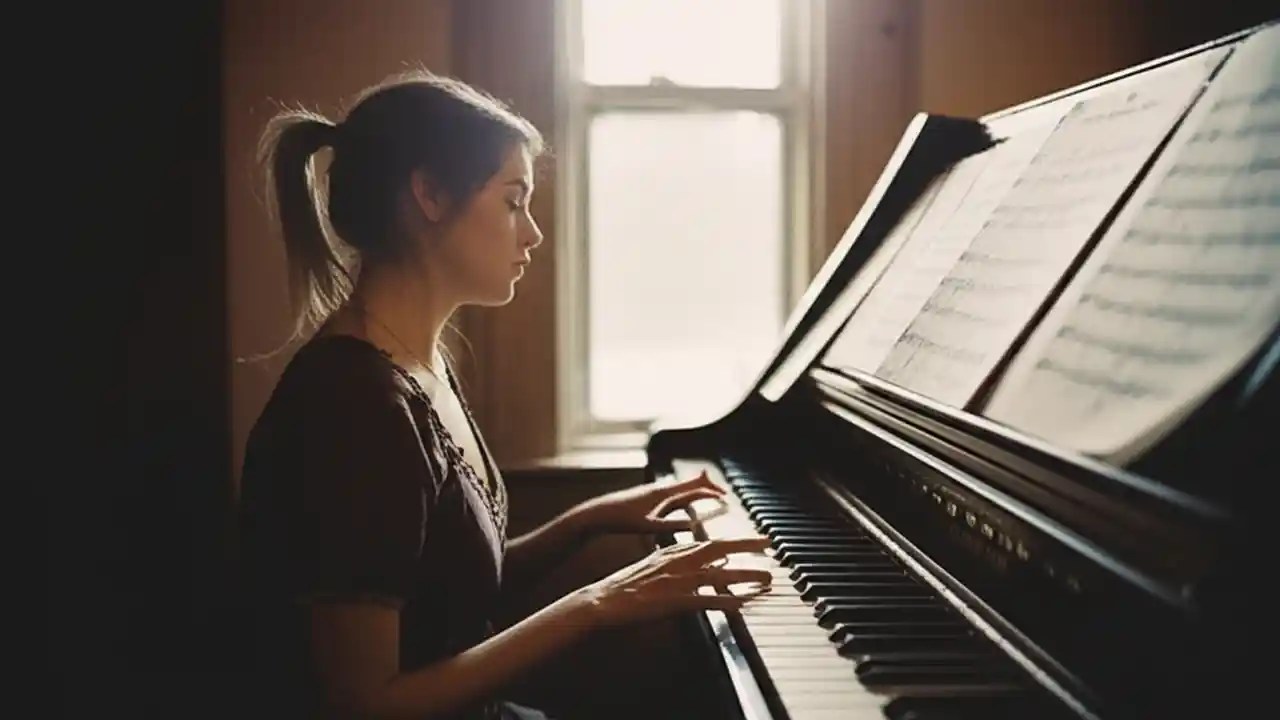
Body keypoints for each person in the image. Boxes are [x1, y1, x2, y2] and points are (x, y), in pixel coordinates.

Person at [235, 68, 774, 720]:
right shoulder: (355, 407)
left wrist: (591, 519)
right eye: (513, 200)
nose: (533, 233)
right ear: (430, 194)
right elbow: (364, 705)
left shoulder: (416, 358)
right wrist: (599, 603)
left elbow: (446, 596)